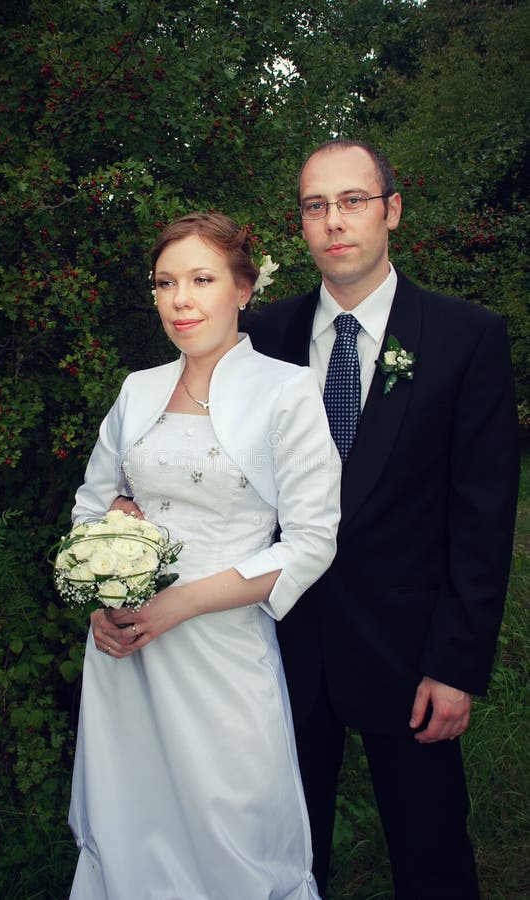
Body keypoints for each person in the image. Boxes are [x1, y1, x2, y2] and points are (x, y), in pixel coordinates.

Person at [247, 139, 520, 899]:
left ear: (391, 210)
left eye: (353, 201)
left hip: (411, 653)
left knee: (431, 857)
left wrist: (455, 663)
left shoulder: (466, 338)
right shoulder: (261, 337)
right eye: (315, 206)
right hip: (281, 641)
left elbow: (484, 516)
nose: (334, 221)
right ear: (301, 223)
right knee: (284, 856)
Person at [66, 212, 342, 899]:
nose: (180, 299)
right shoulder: (137, 392)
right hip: (128, 656)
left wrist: (181, 602)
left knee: (232, 838)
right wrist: (106, 592)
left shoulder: (287, 391)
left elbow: (312, 541)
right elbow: (88, 507)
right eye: (165, 283)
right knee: (134, 829)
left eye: (201, 279)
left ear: (244, 290)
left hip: (221, 651)